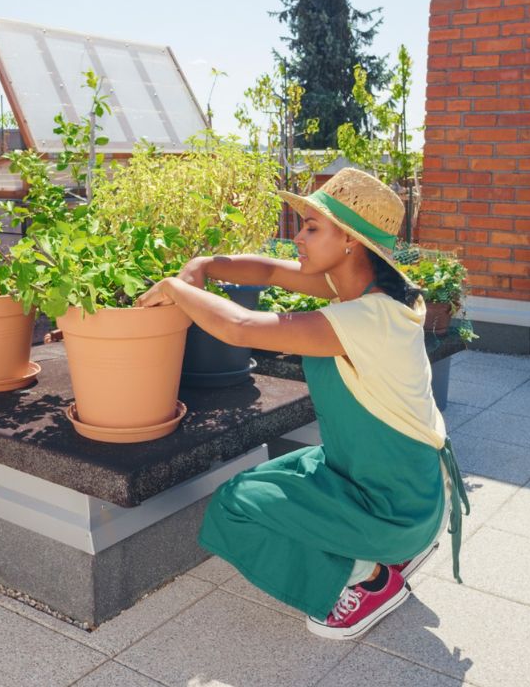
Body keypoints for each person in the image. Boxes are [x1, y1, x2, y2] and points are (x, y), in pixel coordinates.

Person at [136, 168, 469, 640]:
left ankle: (368, 580)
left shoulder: (366, 317)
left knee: (236, 506)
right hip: (391, 474)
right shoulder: (368, 290)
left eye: (313, 228)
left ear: (351, 240)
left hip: (396, 501)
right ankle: (380, 550)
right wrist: (206, 264)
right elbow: (269, 270)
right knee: (263, 483)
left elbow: (242, 328)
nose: (298, 237)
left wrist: (176, 288)